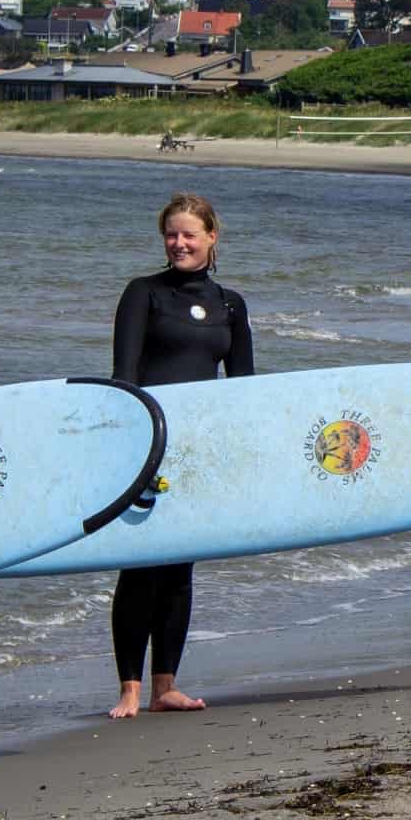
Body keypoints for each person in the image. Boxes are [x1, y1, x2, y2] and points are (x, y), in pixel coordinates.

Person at [106, 192, 255, 718]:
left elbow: (243, 389)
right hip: (148, 445)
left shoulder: (231, 304)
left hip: (200, 451)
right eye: (171, 234)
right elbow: (123, 378)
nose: (179, 243)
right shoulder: (143, 294)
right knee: (139, 565)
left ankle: (166, 685)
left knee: (179, 567)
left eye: (190, 234)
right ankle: (129, 689)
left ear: (213, 237)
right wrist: (132, 449)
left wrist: (239, 455)